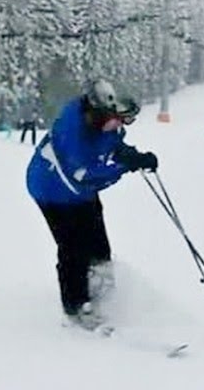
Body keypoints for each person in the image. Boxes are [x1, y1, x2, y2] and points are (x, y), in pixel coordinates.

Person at [26, 79, 156, 329]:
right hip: (52, 189)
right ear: (99, 113)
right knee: (73, 246)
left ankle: (102, 289)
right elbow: (83, 175)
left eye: (125, 120)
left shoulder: (101, 120)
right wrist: (123, 167)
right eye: (117, 119)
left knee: (96, 237)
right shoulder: (71, 131)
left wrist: (129, 155)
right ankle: (76, 307)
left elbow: (110, 143)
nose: (120, 125)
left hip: (79, 191)